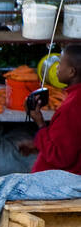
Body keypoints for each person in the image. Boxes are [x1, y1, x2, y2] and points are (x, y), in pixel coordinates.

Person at [28, 45, 81, 175]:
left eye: (60, 63)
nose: (56, 67)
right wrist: (37, 145)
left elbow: (61, 157)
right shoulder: (74, 97)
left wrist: (40, 124)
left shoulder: (72, 106)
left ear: (71, 72)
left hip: (57, 183)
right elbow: (71, 143)